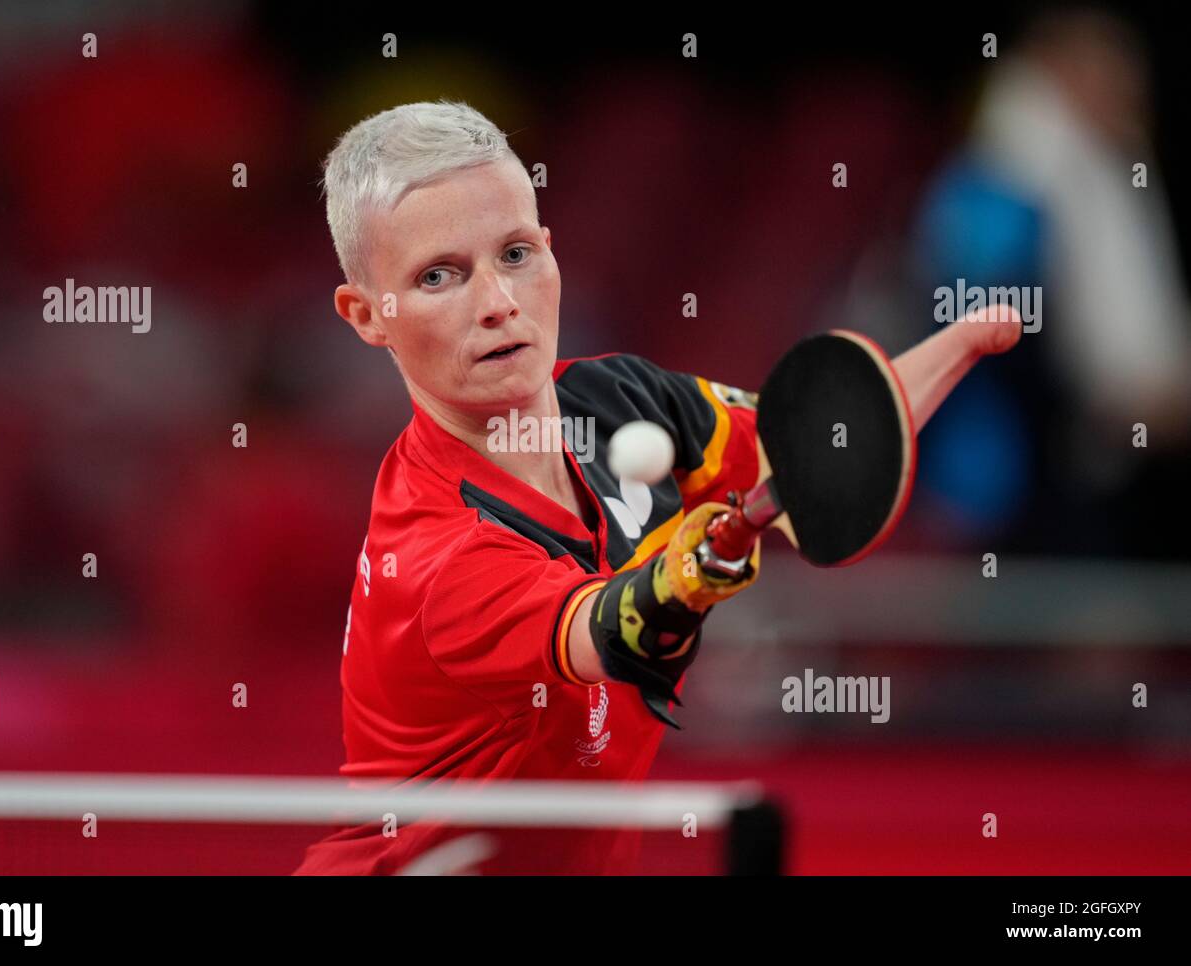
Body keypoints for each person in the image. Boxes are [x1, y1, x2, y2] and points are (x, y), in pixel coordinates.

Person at [296, 100, 1018, 875]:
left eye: (514, 255)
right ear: (367, 315)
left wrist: (952, 350)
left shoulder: (622, 401)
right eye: (440, 276)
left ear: (551, 252)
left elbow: (813, 452)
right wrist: (683, 578)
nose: (499, 303)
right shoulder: (437, 551)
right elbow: (607, 631)